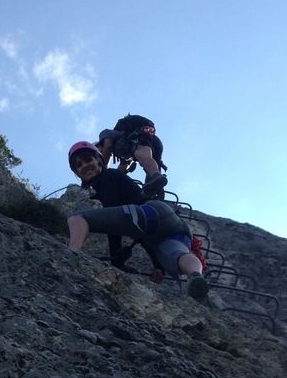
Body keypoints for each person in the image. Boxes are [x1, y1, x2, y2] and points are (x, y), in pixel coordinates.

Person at [67, 141, 208, 301]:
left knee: (77, 218)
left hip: (150, 212)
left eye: (88, 160)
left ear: (99, 161)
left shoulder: (107, 177)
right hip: (172, 225)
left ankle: (70, 255)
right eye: (79, 165)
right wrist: (158, 267)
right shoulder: (110, 178)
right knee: (177, 257)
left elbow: (114, 222)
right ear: (77, 173)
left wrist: (116, 261)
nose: (85, 166)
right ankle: (195, 275)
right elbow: (143, 232)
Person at [98, 114, 167, 198]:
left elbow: (108, 147)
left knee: (142, 155)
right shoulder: (124, 153)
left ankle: (156, 177)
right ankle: (156, 191)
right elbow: (121, 171)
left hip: (141, 138)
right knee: (152, 179)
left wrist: (103, 172)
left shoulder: (106, 133)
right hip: (155, 142)